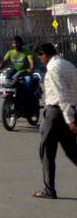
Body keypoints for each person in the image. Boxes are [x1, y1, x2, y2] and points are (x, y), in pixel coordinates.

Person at [32, 43, 77, 200]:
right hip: (68, 111)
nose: (40, 60)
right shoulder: (67, 64)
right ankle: (49, 189)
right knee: (72, 151)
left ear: (44, 53)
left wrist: (70, 119)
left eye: (40, 56)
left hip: (56, 113)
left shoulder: (53, 69)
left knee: (46, 151)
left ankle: (49, 189)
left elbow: (62, 95)